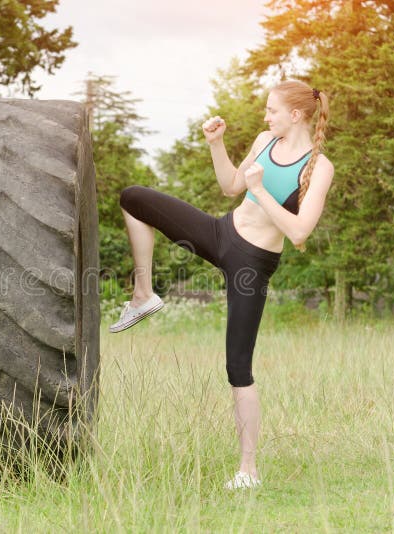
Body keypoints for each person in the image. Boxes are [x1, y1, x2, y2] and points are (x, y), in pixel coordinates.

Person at [109, 80, 334, 490]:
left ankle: (248, 471)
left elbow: (300, 232)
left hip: (252, 262)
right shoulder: (266, 140)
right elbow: (232, 186)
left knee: (238, 368)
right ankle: (143, 295)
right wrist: (217, 144)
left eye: (272, 110)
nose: (266, 117)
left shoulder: (318, 167)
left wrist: (261, 190)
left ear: (297, 115)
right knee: (134, 197)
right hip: (222, 233)